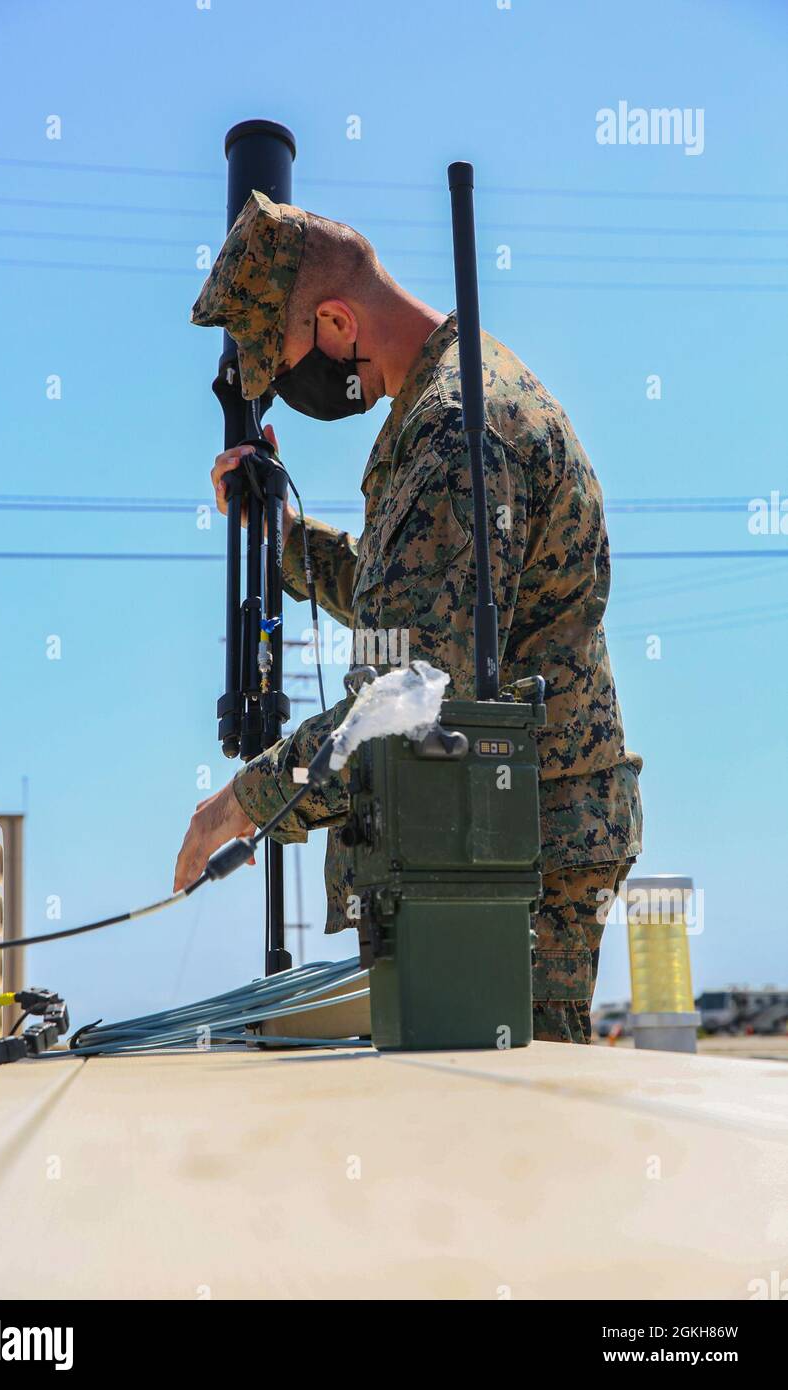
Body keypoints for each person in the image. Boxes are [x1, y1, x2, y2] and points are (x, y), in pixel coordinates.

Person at [174, 190, 643, 1044]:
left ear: (337, 322)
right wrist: (286, 542)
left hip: (511, 849)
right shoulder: (434, 411)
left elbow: (410, 704)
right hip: (479, 836)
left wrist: (245, 802)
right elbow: (419, 609)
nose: (289, 391)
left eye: (282, 365)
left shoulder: (461, 431)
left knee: (501, 1130)